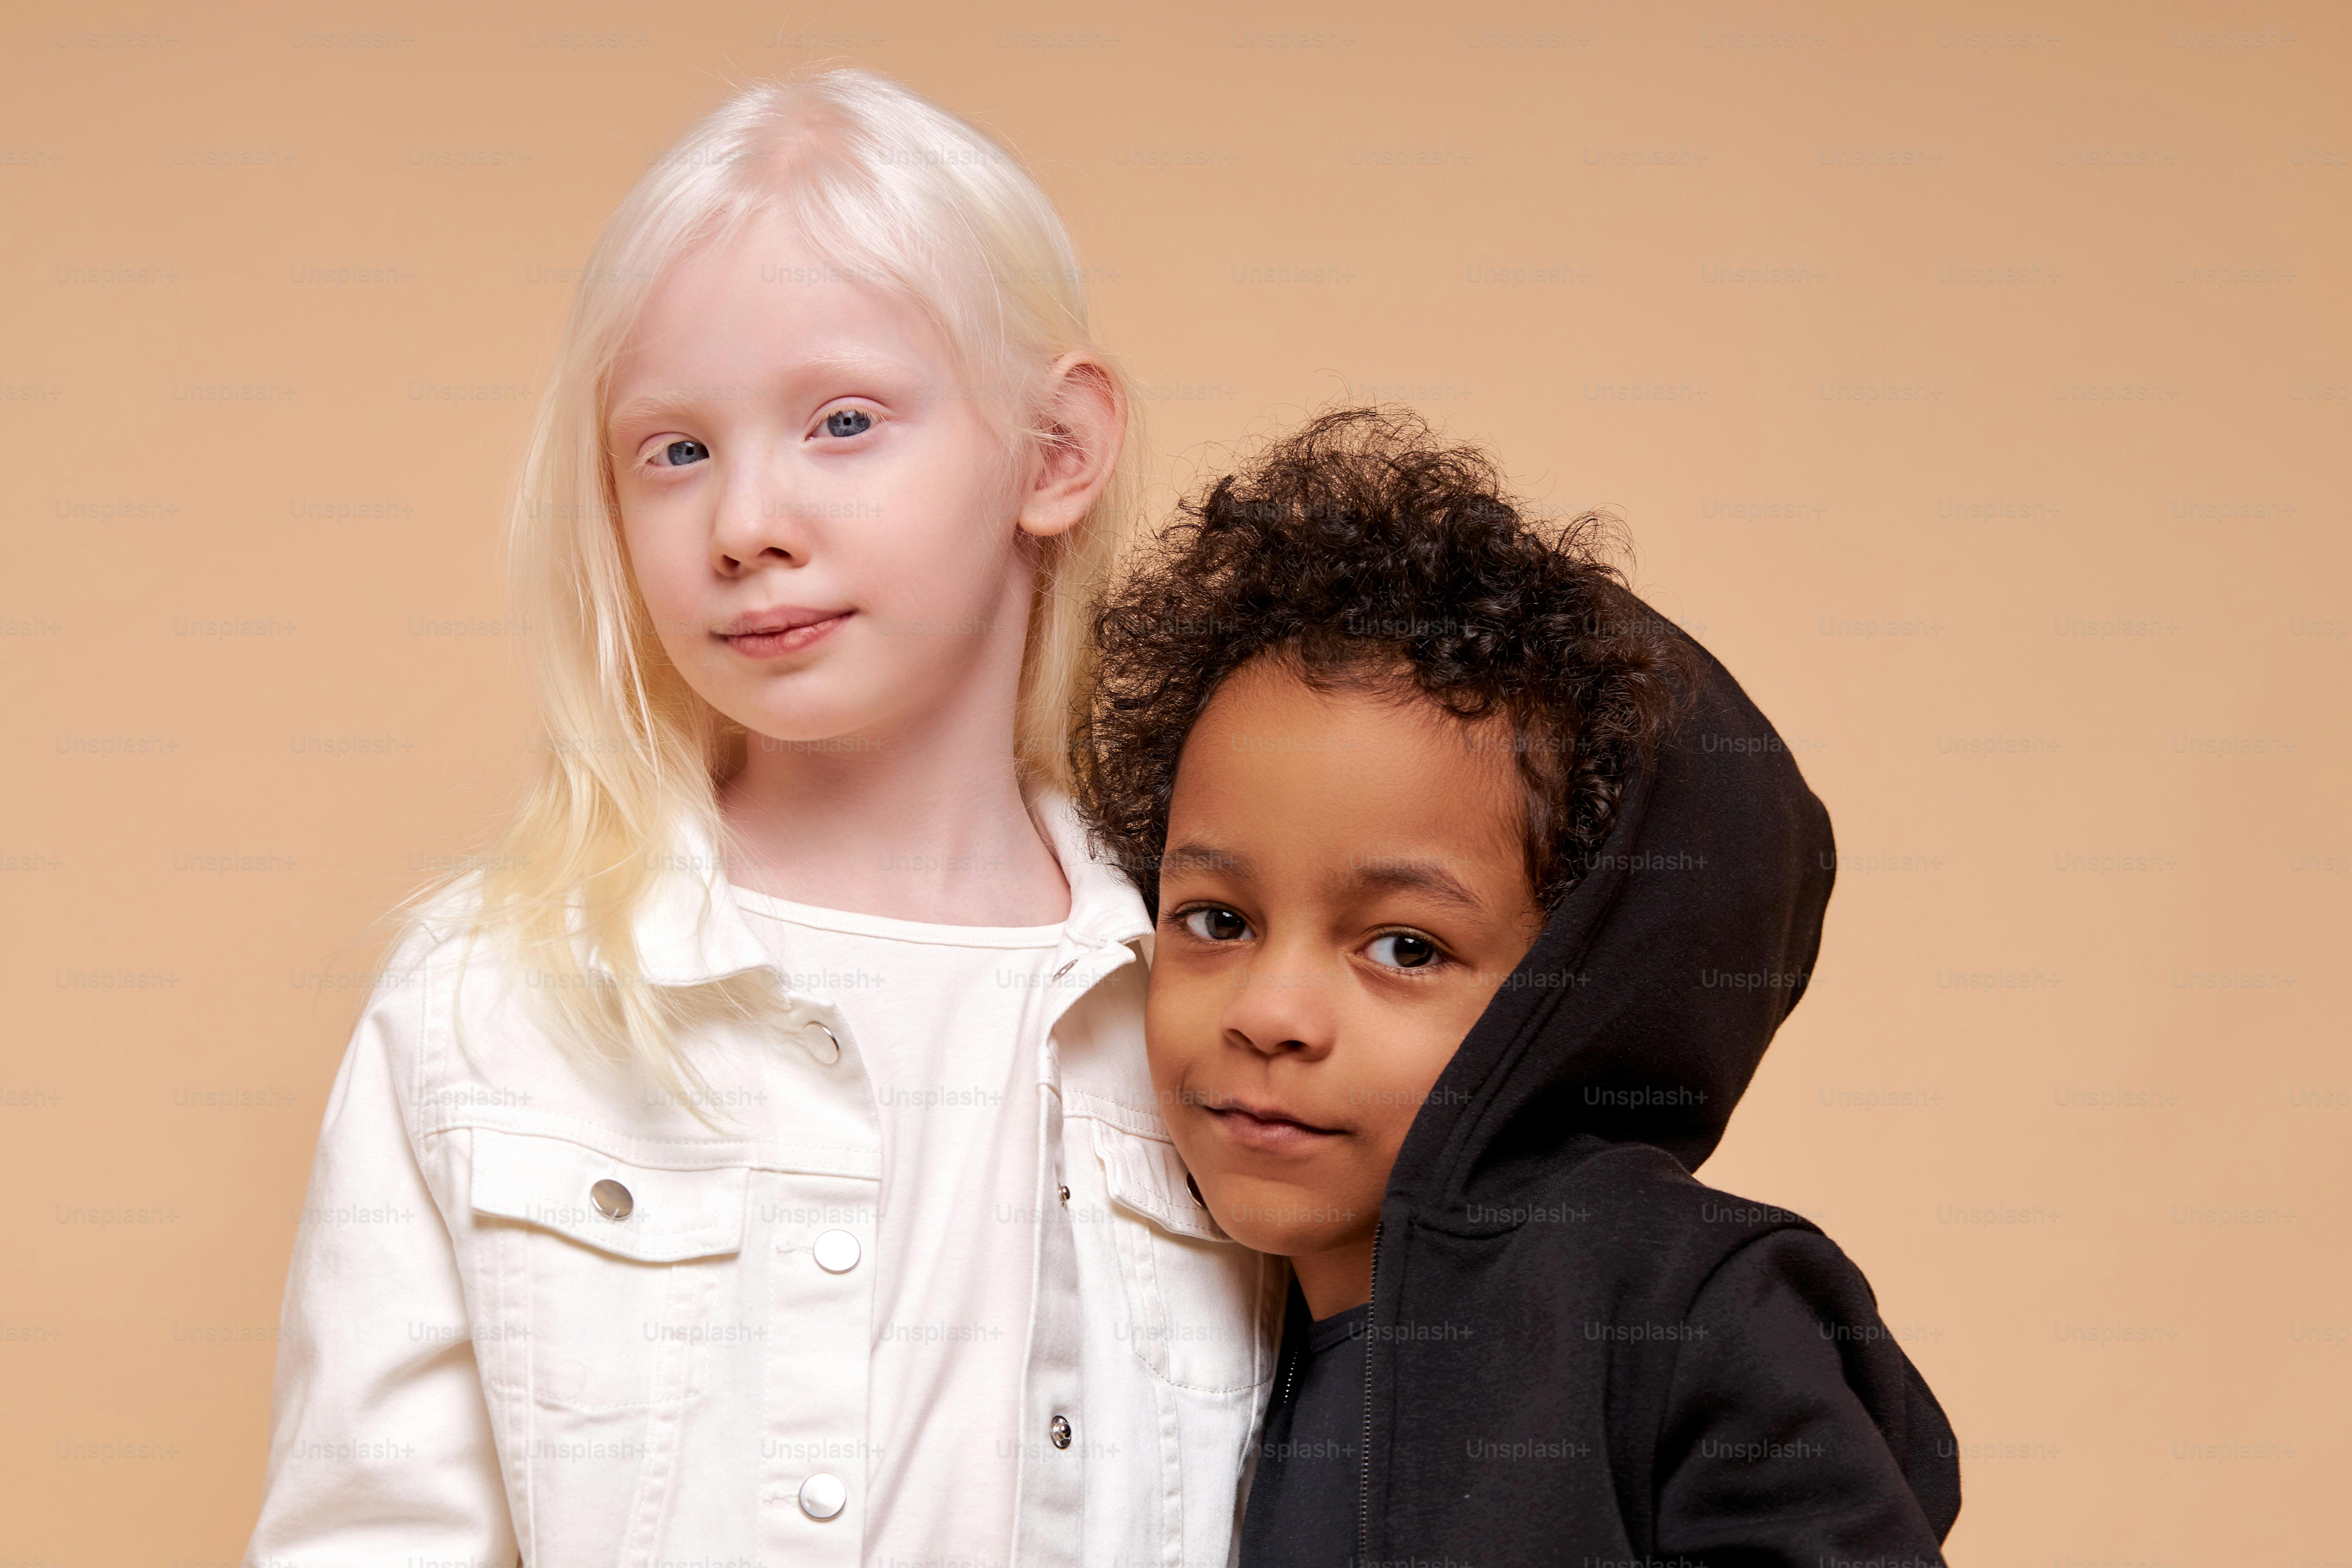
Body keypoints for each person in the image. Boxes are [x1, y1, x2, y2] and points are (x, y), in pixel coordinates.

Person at [248, 69, 1272, 1568]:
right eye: (676, 451)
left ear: (1054, 453)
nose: (744, 524)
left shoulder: (1207, 1009)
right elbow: (366, 1534)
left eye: (844, 422)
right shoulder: (487, 999)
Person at [1073, 407, 1963, 1565]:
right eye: (1218, 921)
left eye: (1404, 949)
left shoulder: (1673, 1302)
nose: (1269, 1014)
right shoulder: (1212, 1325)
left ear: (1579, 993)